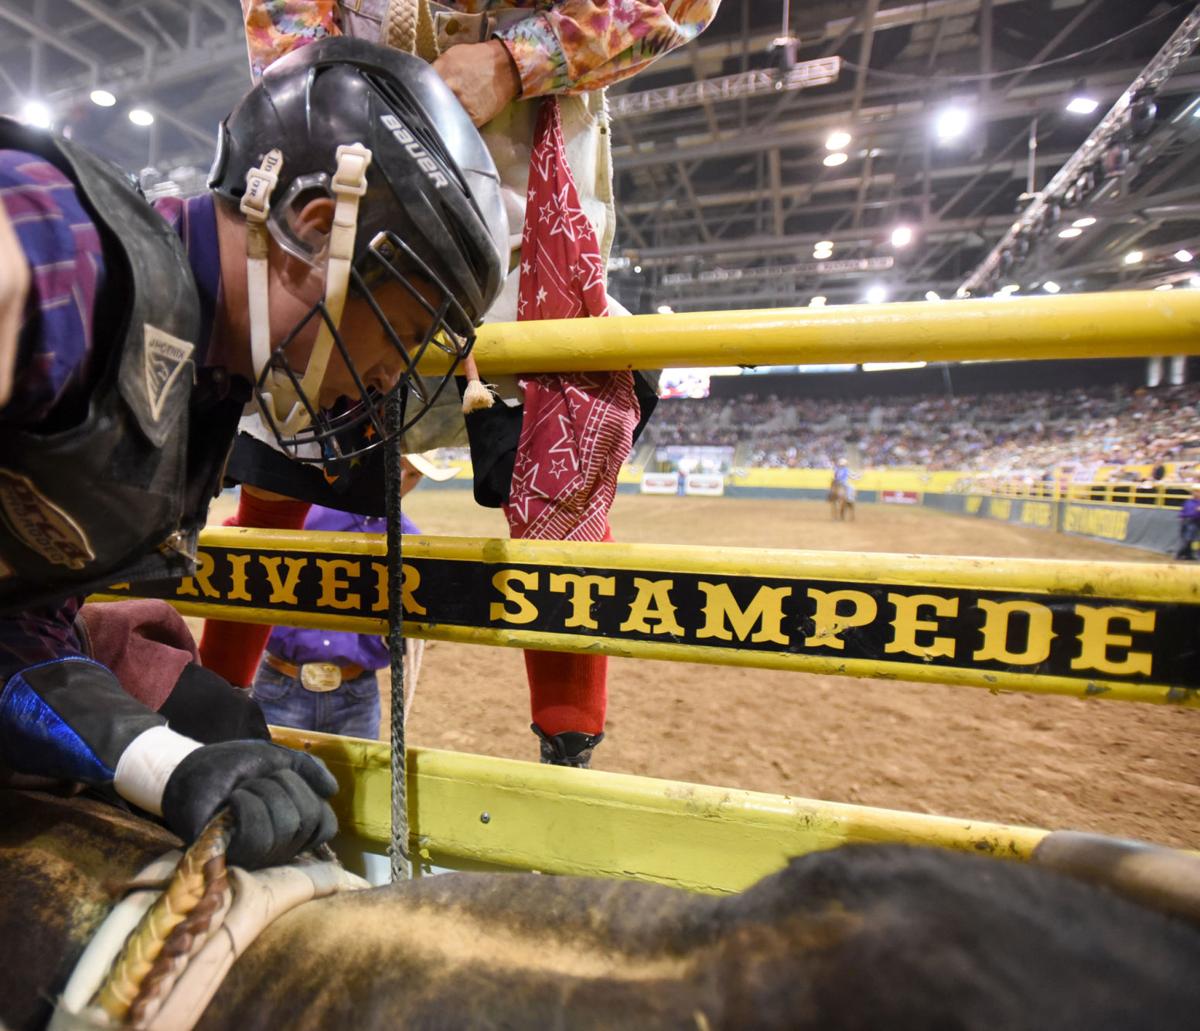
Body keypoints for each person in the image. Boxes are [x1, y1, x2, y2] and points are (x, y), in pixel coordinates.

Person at [0, 38, 505, 867]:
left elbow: (19, 628)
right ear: (316, 226)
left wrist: (165, 761)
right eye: (404, 333)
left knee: (217, 718)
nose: (386, 381)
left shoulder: (200, 381)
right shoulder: (69, 253)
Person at [220, 0, 721, 770]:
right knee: (286, 431)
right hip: (345, 174)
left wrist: (521, 58)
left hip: (524, 199)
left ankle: (567, 758)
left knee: (556, 463)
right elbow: (281, 19)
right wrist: (327, 88)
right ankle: (210, 714)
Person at [251, 454, 453, 737]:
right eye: (398, 465)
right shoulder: (308, 511)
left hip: (354, 693)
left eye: (414, 475)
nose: (401, 481)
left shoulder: (409, 538)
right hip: (285, 683)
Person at [1176, 486, 1200, 560]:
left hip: (1197, 521)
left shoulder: (1190, 502)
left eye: (1198, 491)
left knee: (1194, 539)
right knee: (1188, 539)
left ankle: (1189, 554)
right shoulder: (1188, 502)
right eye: (1195, 491)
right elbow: (1184, 511)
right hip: (1190, 521)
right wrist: (1181, 517)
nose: (1196, 493)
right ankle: (1180, 554)